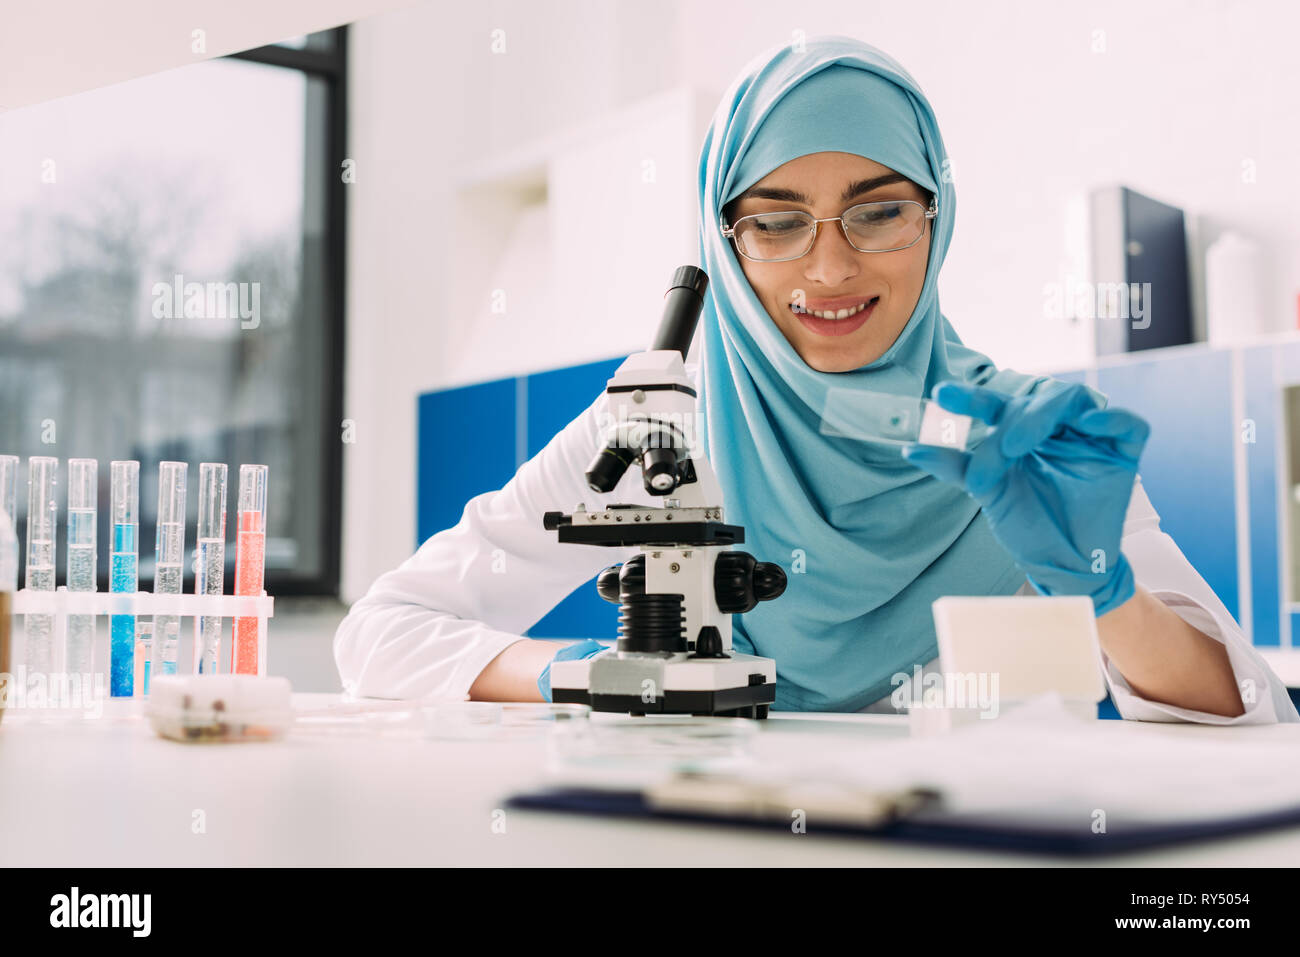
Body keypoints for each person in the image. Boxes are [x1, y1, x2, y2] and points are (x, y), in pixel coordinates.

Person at [333, 35, 1297, 724]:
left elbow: (1244, 709)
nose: (829, 269)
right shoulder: (661, 430)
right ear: (726, 237)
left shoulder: (1010, 435)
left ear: (938, 216)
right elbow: (381, 631)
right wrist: (584, 673)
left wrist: (1104, 591)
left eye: (877, 212)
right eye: (777, 220)